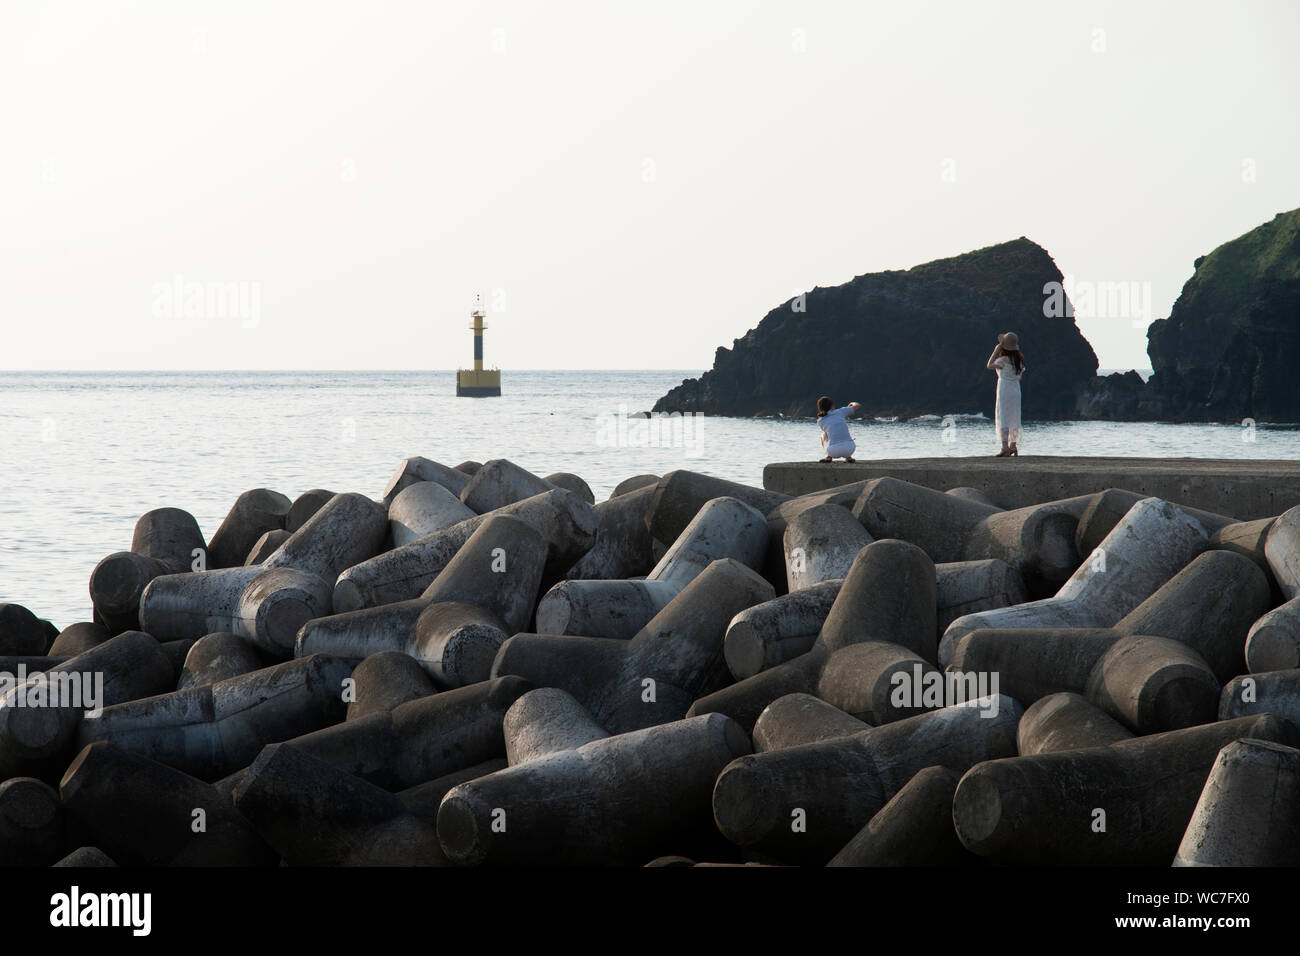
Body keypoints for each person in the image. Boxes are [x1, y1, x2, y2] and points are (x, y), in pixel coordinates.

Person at [985, 332, 1025, 457]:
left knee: (1004, 417)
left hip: (1005, 389)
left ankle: (1005, 447)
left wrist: (996, 350)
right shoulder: (1019, 361)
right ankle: (1013, 446)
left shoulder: (1002, 360)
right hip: (1016, 390)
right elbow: (1019, 378)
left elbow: (989, 365)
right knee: (1014, 417)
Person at [816, 395, 861, 462]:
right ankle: (848, 457)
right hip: (850, 449)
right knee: (842, 432)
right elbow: (858, 406)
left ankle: (828, 456)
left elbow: (831, 431)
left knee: (824, 435)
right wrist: (852, 403)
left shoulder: (820, 421)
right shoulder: (840, 411)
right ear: (832, 406)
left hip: (833, 451)